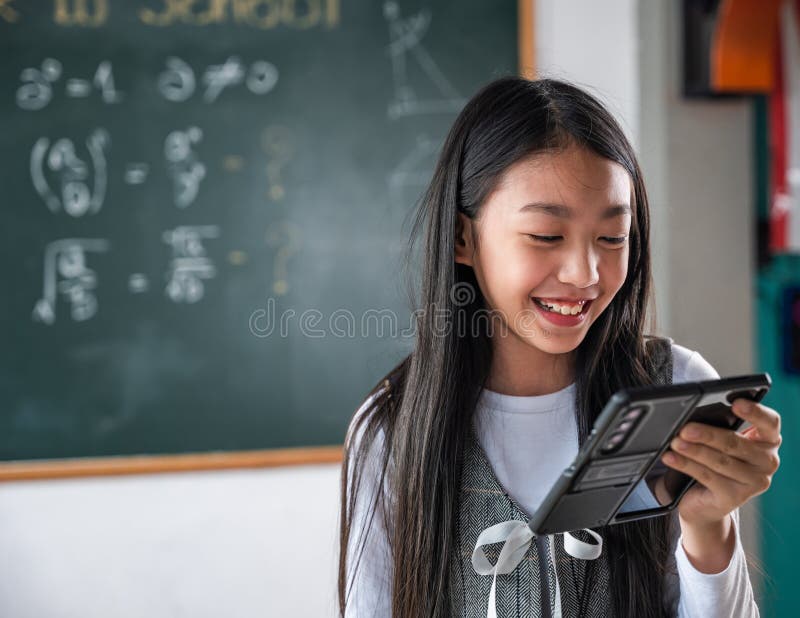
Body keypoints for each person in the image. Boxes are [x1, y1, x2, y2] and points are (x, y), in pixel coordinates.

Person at [337, 76, 782, 617]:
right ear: (462, 239)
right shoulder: (392, 430)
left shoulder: (675, 385)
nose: (584, 273)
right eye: (547, 236)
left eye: (612, 238)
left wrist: (707, 525)